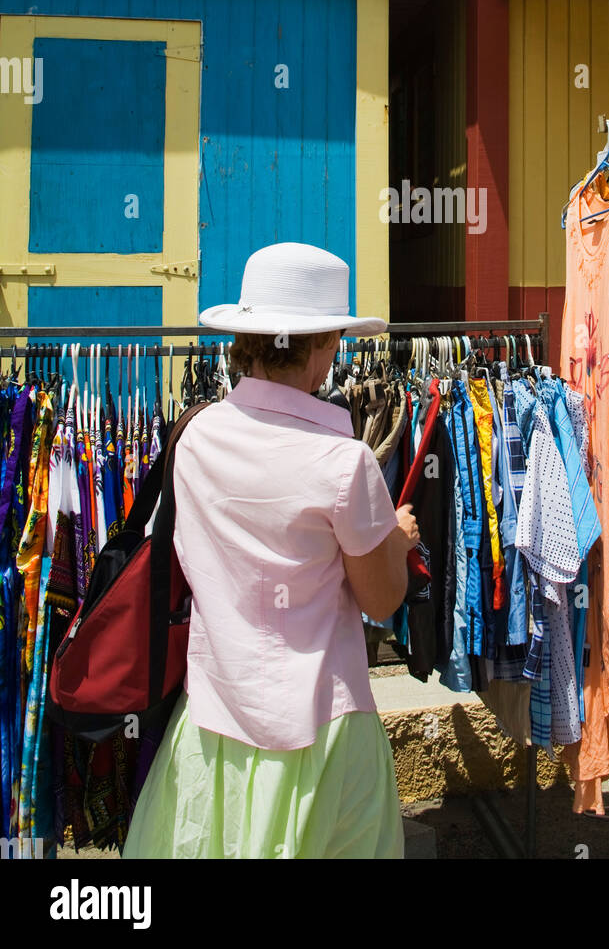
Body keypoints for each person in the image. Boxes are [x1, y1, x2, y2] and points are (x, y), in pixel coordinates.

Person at [123, 243, 418, 860]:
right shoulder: (345, 463)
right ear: (319, 344)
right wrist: (397, 537)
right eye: (334, 338)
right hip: (322, 734)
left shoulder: (194, 437)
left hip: (212, 726)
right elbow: (383, 599)